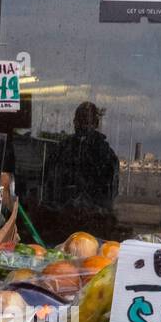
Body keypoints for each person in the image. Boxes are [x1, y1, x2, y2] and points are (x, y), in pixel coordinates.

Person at [31, 101, 119, 240]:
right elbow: (47, 186)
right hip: (60, 226)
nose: (84, 125)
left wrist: (94, 210)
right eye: (81, 120)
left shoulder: (106, 154)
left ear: (96, 123)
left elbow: (110, 194)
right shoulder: (61, 150)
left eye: (88, 121)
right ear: (74, 122)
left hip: (94, 228)